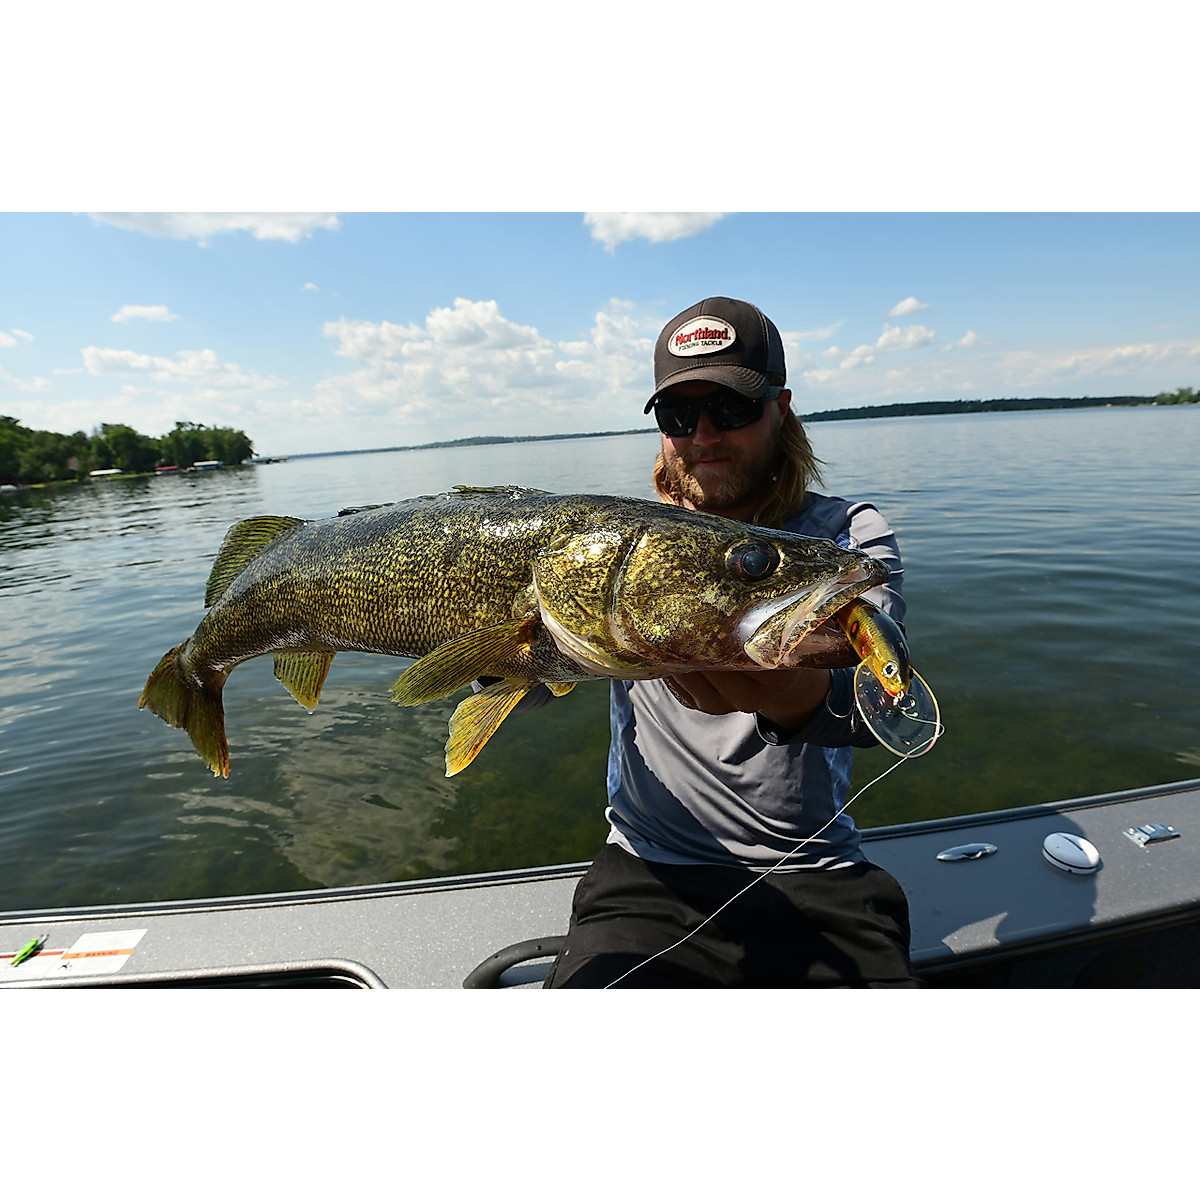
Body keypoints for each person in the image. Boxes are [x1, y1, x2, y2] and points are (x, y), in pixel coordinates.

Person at [542, 296, 919, 988]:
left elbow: (875, 709)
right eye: (679, 416)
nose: (705, 435)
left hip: (814, 870)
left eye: (732, 408)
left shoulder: (844, 543)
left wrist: (790, 693)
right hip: (646, 873)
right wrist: (490, 659)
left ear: (782, 408)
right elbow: (536, 682)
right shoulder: (613, 550)